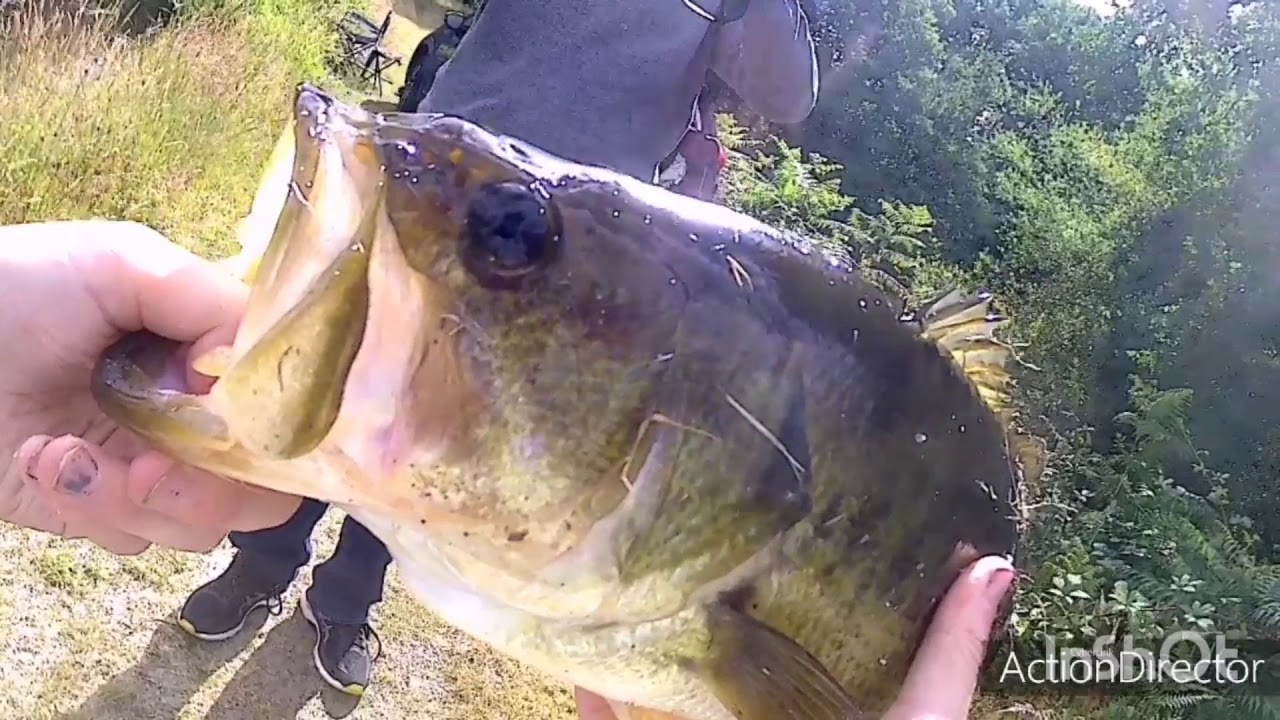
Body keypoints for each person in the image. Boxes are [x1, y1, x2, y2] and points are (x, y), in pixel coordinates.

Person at [0, 220, 1016, 718]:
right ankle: (256, 580)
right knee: (385, 464)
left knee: (421, 472)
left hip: (592, 264)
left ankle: (338, 611)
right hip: (559, 241)